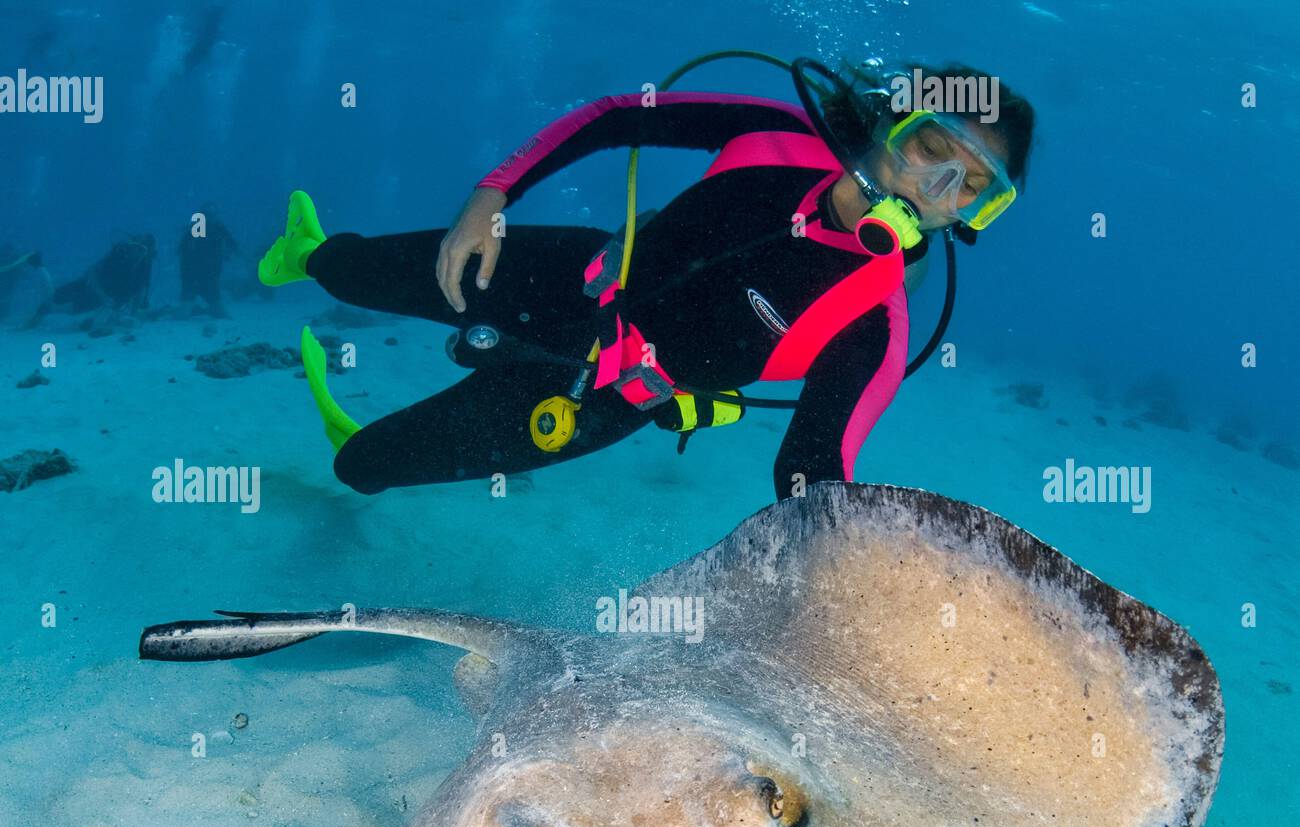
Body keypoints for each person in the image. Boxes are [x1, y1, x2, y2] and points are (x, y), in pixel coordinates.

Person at [257, 58, 1034, 498]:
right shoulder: (779, 134)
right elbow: (616, 116)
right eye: (933, 147)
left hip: (602, 399)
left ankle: (352, 434)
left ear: (981, 213)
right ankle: (309, 251)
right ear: (893, 124)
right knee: (353, 273)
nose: (934, 191)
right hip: (563, 274)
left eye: (970, 187)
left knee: (363, 470)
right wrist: (492, 196)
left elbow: (814, 472)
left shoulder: (878, 323)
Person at [53, 234, 156, 315]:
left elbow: (140, 290)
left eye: (143, 251)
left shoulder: (145, 267)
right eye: (137, 248)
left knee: (74, 309)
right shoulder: (118, 254)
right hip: (92, 286)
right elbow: (90, 273)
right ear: (131, 245)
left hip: (105, 300)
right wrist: (104, 297)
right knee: (56, 297)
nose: (138, 254)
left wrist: (132, 314)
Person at [178, 206, 241, 316]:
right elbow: (182, 251)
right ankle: (174, 310)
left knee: (220, 312)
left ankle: (200, 310)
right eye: (206, 216)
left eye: (211, 216)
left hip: (210, 276)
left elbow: (233, 246)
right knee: (183, 314)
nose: (208, 219)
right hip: (192, 276)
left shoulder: (218, 229)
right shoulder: (194, 231)